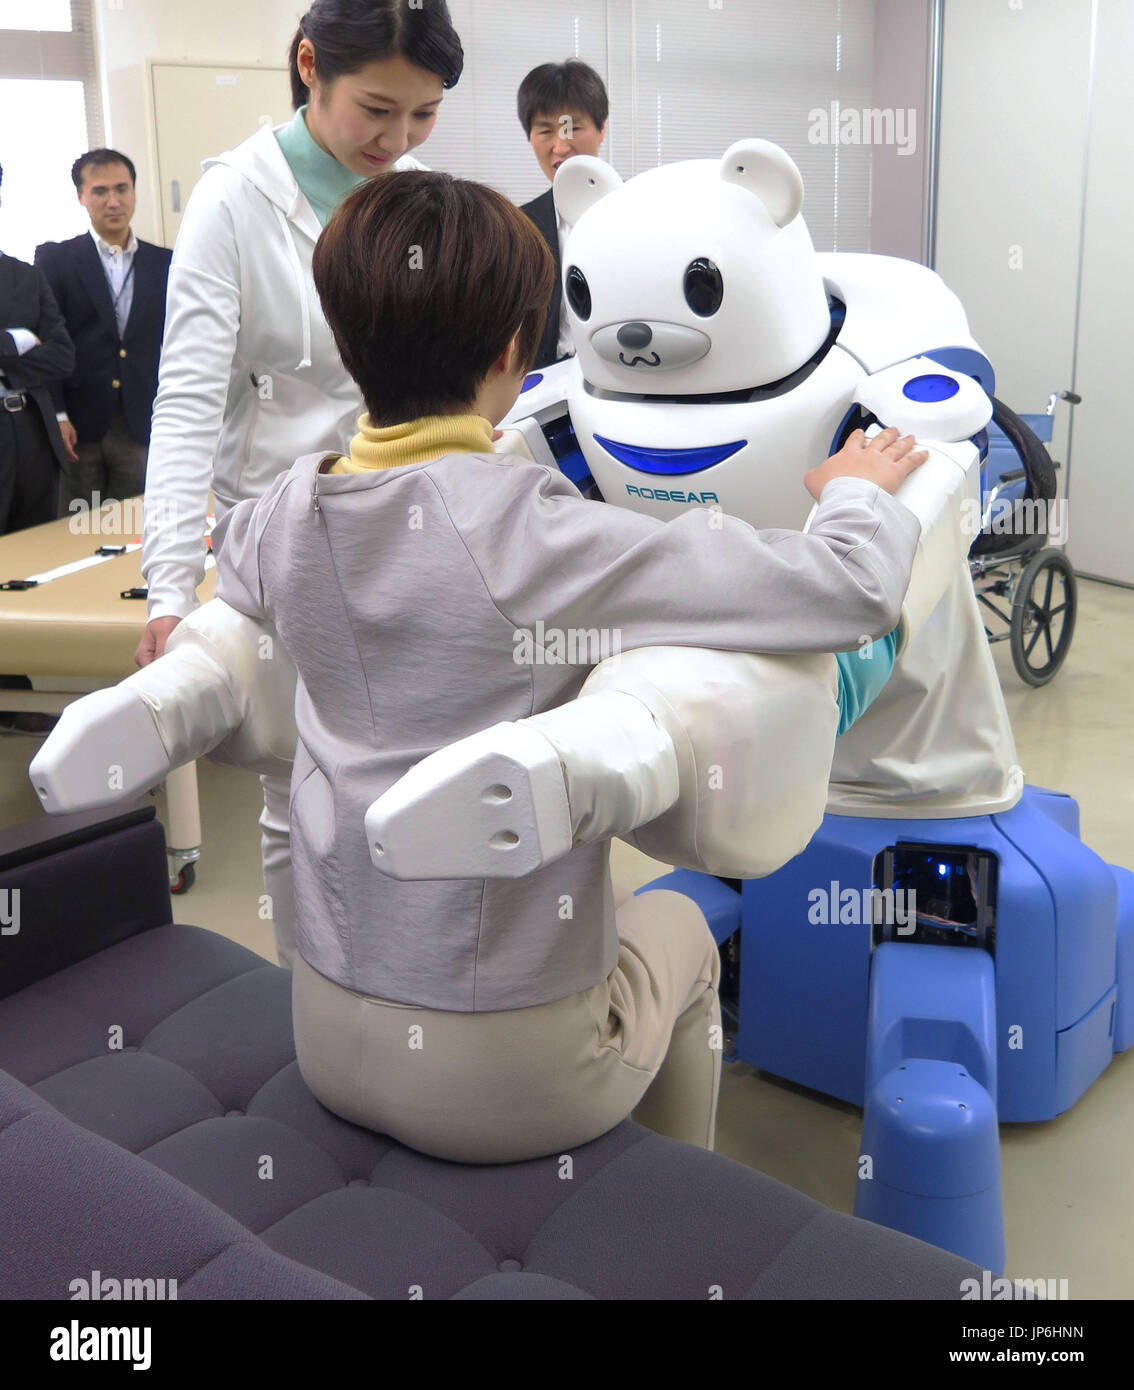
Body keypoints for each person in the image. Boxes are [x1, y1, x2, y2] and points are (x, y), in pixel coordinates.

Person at [211, 168, 928, 1164]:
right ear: (515, 350)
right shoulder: (537, 531)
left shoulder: (280, 513)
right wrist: (857, 489)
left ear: (345, 337)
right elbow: (852, 590)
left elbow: (243, 560)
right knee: (681, 927)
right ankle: (671, 1215)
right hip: (505, 1076)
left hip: (326, 1022)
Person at [134, 0, 465, 969]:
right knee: (296, 780)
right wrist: (166, 591)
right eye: (376, 110)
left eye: (423, 116)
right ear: (309, 66)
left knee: (399, 778)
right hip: (276, 541)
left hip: (397, 531)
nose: (398, 141)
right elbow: (187, 403)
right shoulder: (234, 200)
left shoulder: (407, 193)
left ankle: (399, 995)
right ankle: (311, 1005)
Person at [35, 150, 172, 512]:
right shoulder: (56, 260)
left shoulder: (164, 262)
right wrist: (57, 415)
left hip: (141, 420)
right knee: (79, 528)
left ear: (135, 193)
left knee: (132, 527)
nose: (113, 201)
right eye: (100, 191)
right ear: (81, 197)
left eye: (121, 189)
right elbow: (47, 342)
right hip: (79, 426)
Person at [516, 59, 609, 369]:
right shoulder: (516, 228)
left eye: (573, 128)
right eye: (545, 131)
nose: (560, 146)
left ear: (601, 130)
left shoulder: (636, 215)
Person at [0, 162, 74, 535]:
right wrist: (17, 341)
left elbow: (62, 355)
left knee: (34, 552)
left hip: (32, 433)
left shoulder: (24, 275)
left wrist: (5, 366)